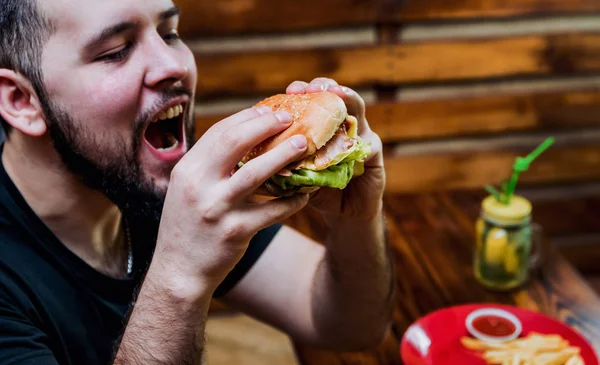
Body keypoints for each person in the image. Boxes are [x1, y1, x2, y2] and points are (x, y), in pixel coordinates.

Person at [0, 0, 395, 364]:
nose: (174, 65)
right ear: (21, 100)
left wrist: (356, 221)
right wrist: (180, 277)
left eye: (169, 33)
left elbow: (347, 325)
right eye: (116, 51)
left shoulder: (147, 175)